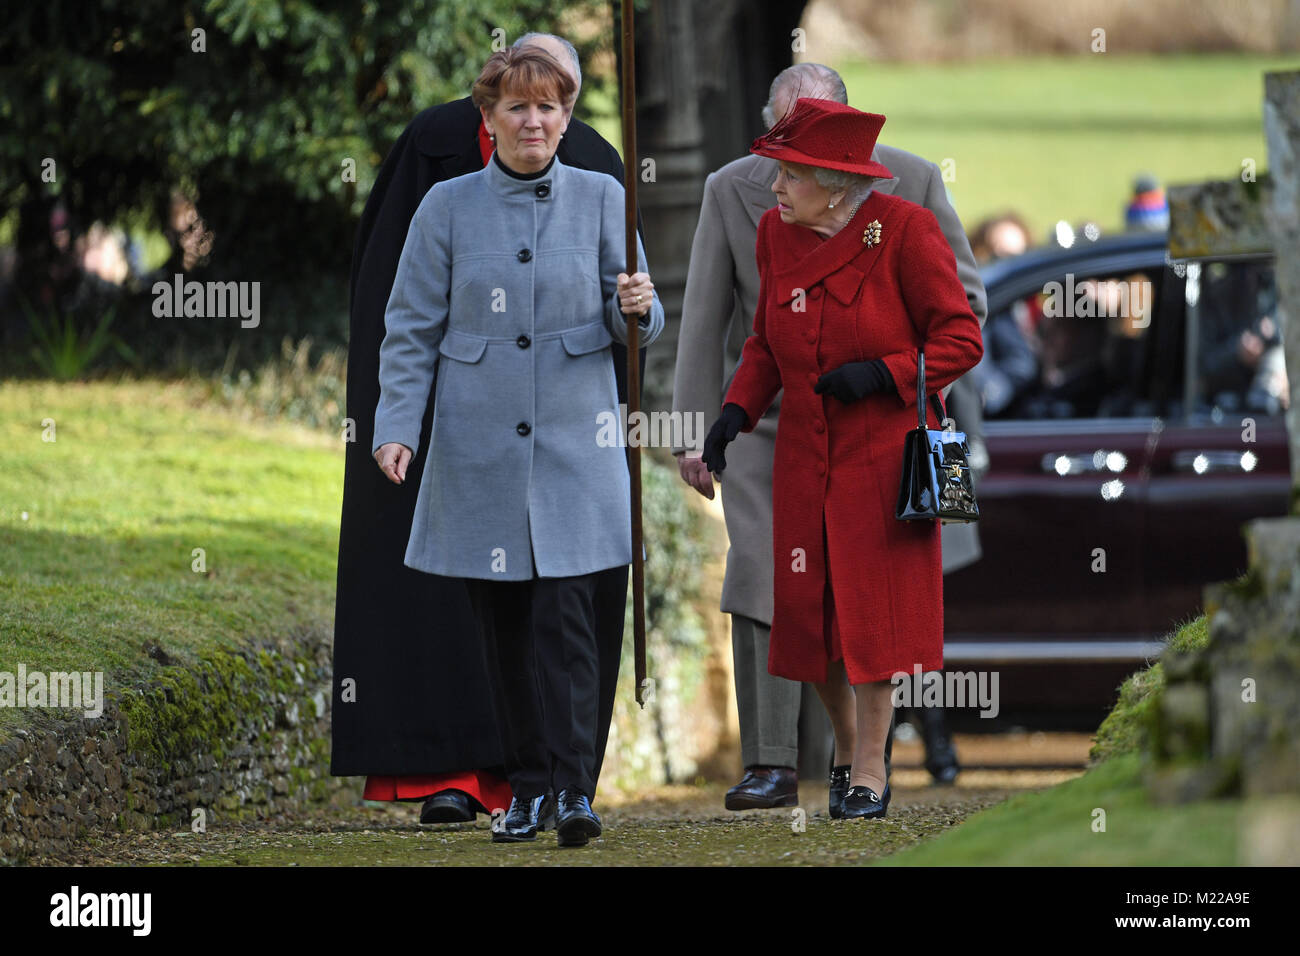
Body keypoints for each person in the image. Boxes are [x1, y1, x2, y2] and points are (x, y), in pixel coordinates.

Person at [330, 33, 645, 826]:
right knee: (502, 629)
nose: (533, 122)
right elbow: (409, 329)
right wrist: (395, 427)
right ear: (489, 116)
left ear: (566, 117)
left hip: (576, 448)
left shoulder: (607, 197)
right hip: (477, 453)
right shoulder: (445, 207)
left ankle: (574, 790)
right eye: (518, 108)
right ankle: (530, 788)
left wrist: (637, 309)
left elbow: (636, 317)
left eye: (548, 107)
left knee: (567, 624)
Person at [671, 64, 986, 813]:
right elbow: (760, 341)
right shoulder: (777, 235)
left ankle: (870, 771)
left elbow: (962, 336)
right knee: (804, 609)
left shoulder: (903, 227)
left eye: (788, 174)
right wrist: (728, 418)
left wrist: (883, 373)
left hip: (882, 450)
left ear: (836, 183)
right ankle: (843, 747)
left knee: (871, 616)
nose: (772, 186)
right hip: (801, 454)